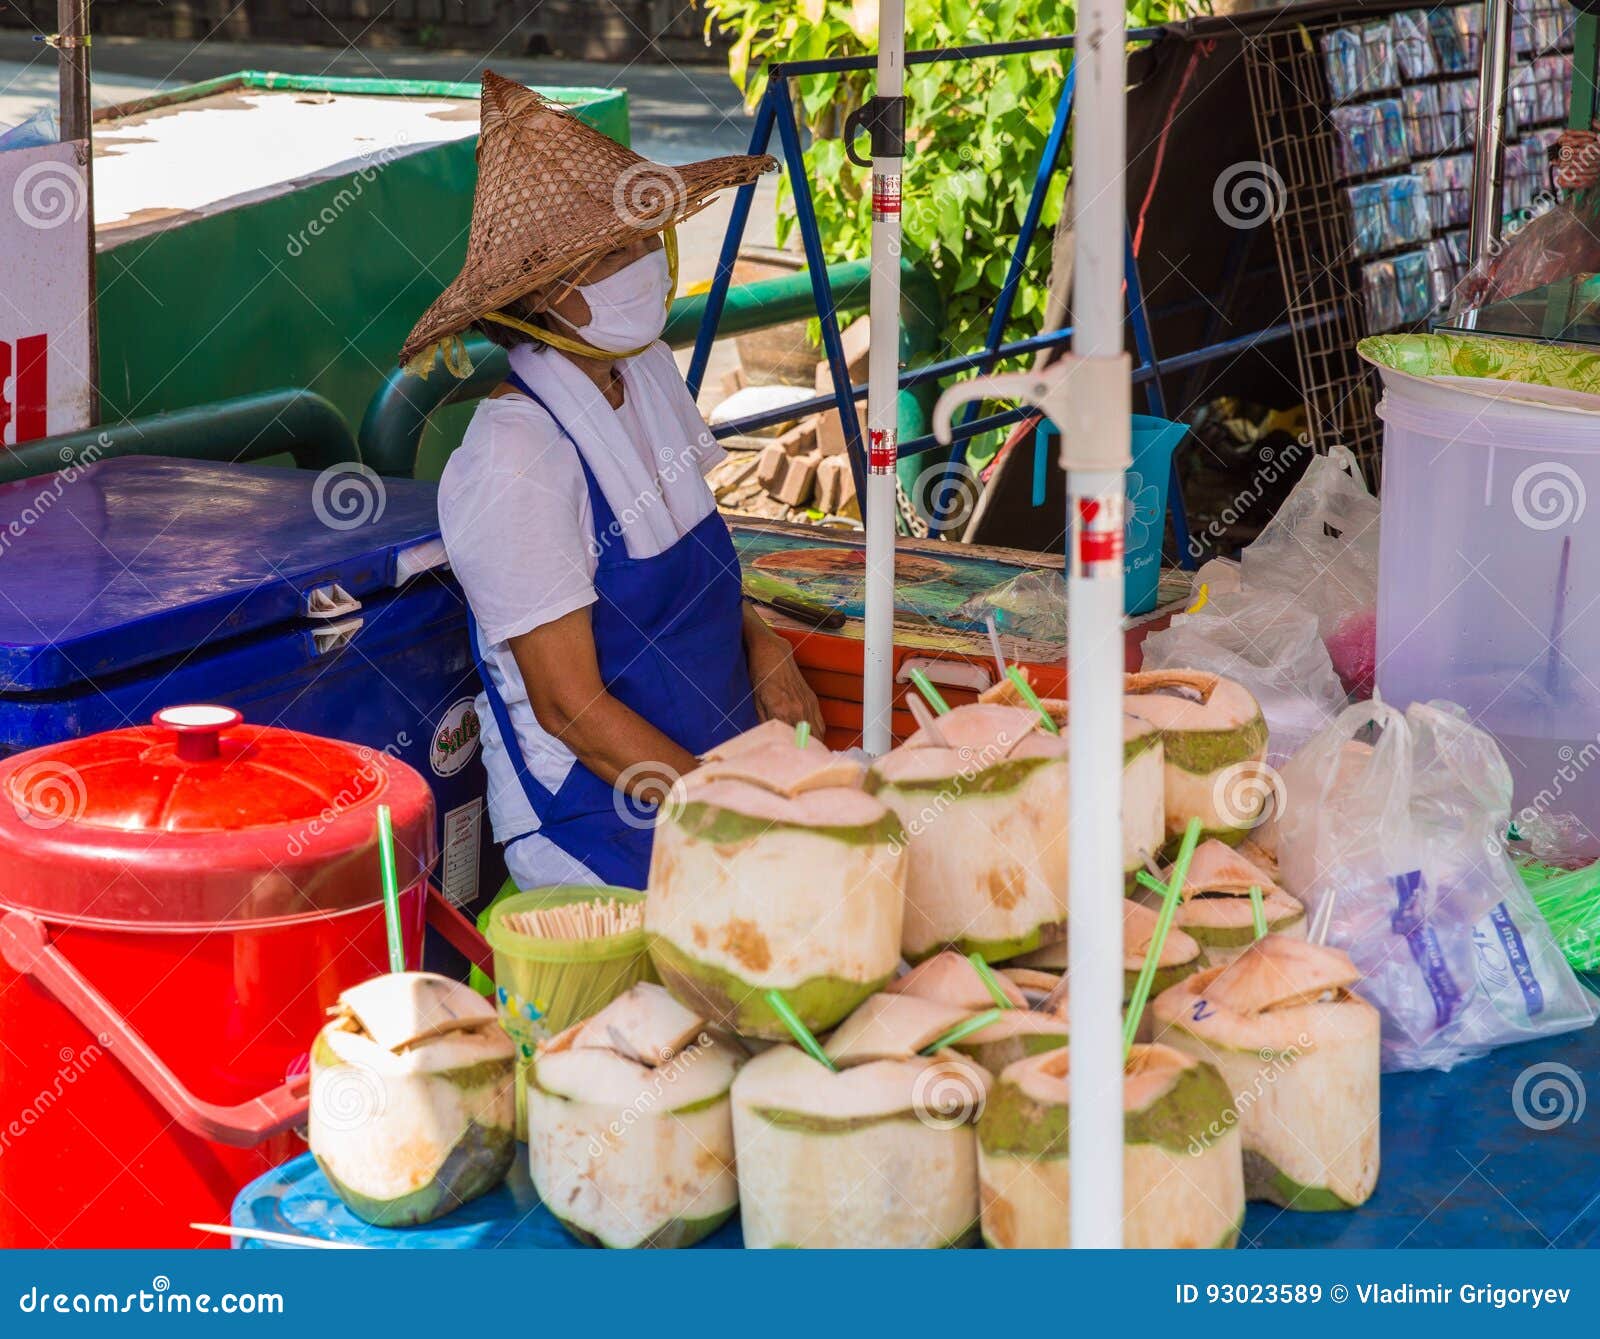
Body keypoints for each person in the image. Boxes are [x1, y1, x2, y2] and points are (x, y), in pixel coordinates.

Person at [400, 72, 824, 892]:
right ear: (539, 298)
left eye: (637, 240)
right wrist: (733, 821)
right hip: (596, 824)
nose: (635, 264)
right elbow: (571, 711)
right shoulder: (514, 459)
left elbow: (700, 569)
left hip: (716, 766)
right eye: (602, 256)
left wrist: (764, 643)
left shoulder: (647, 372)